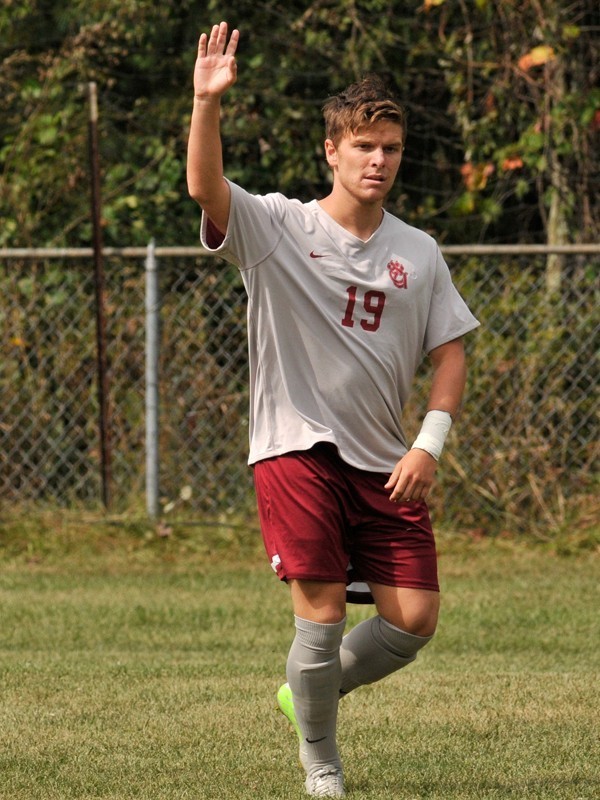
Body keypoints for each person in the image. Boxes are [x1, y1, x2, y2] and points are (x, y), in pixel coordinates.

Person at [187, 21, 479, 799]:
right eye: (362, 146)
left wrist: (429, 443)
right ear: (332, 152)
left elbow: (451, 349)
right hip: (295, 447)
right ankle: (322, 762)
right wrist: (206, 106)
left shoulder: (417, 251)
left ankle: (304, 697)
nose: (377, 160)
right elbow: (206, 191)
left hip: (387, 461)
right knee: (316, 617)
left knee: (414, 620)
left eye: (389, 147)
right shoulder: (279, 226)